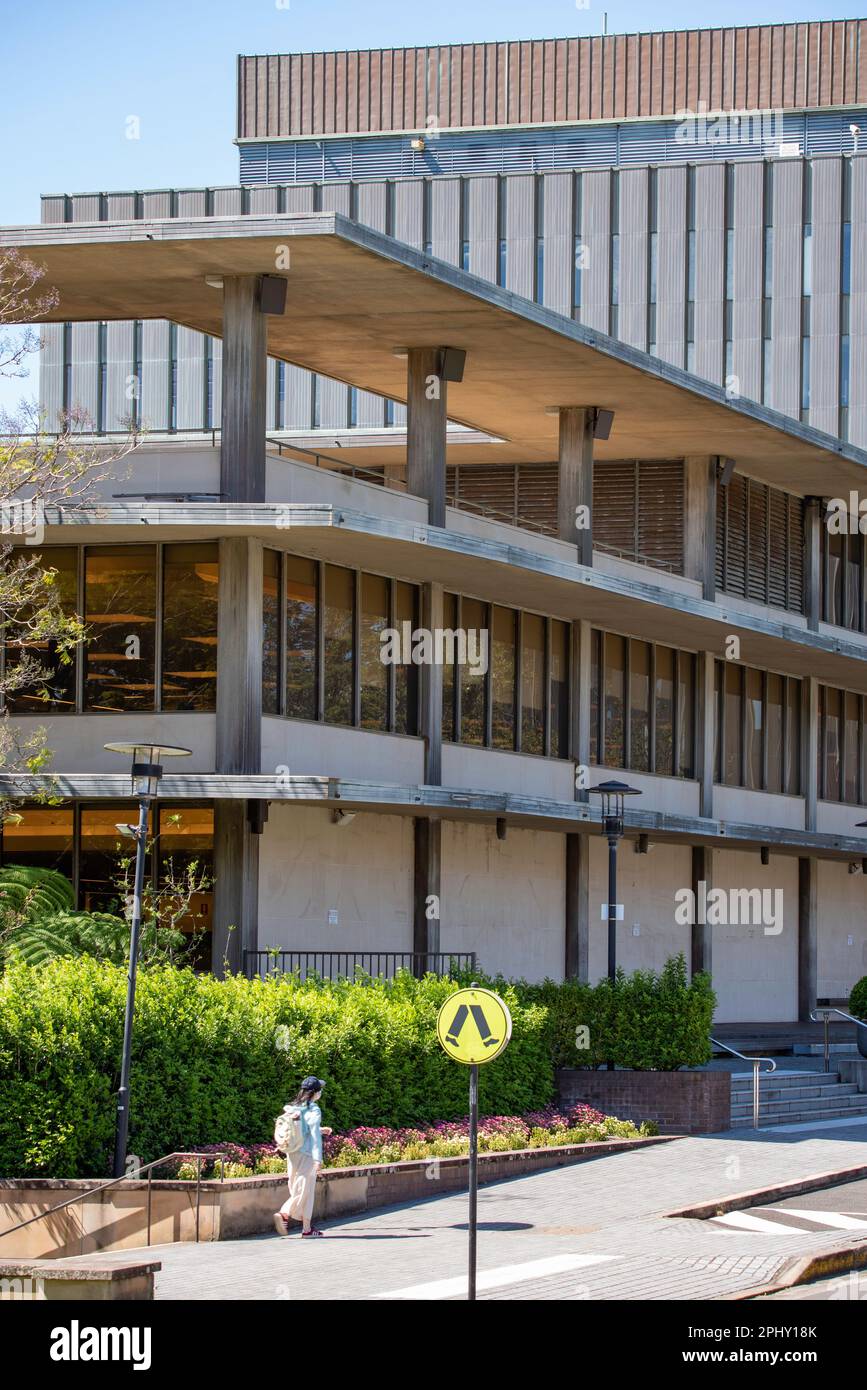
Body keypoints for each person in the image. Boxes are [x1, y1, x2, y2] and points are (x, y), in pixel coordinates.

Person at [274, 1076, 332, 1238]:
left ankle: (307, 1229)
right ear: (315, 1092)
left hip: (292, 1151)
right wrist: (317, 1158)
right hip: (307, 1154)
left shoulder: (293, 1108)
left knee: (298, 1188)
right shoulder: (313, 1109)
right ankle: (284, 1213)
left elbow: (301, 1130)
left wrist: (321, 1130)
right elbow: (312, 1134)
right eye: (319, 1090)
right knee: (305, 1190)